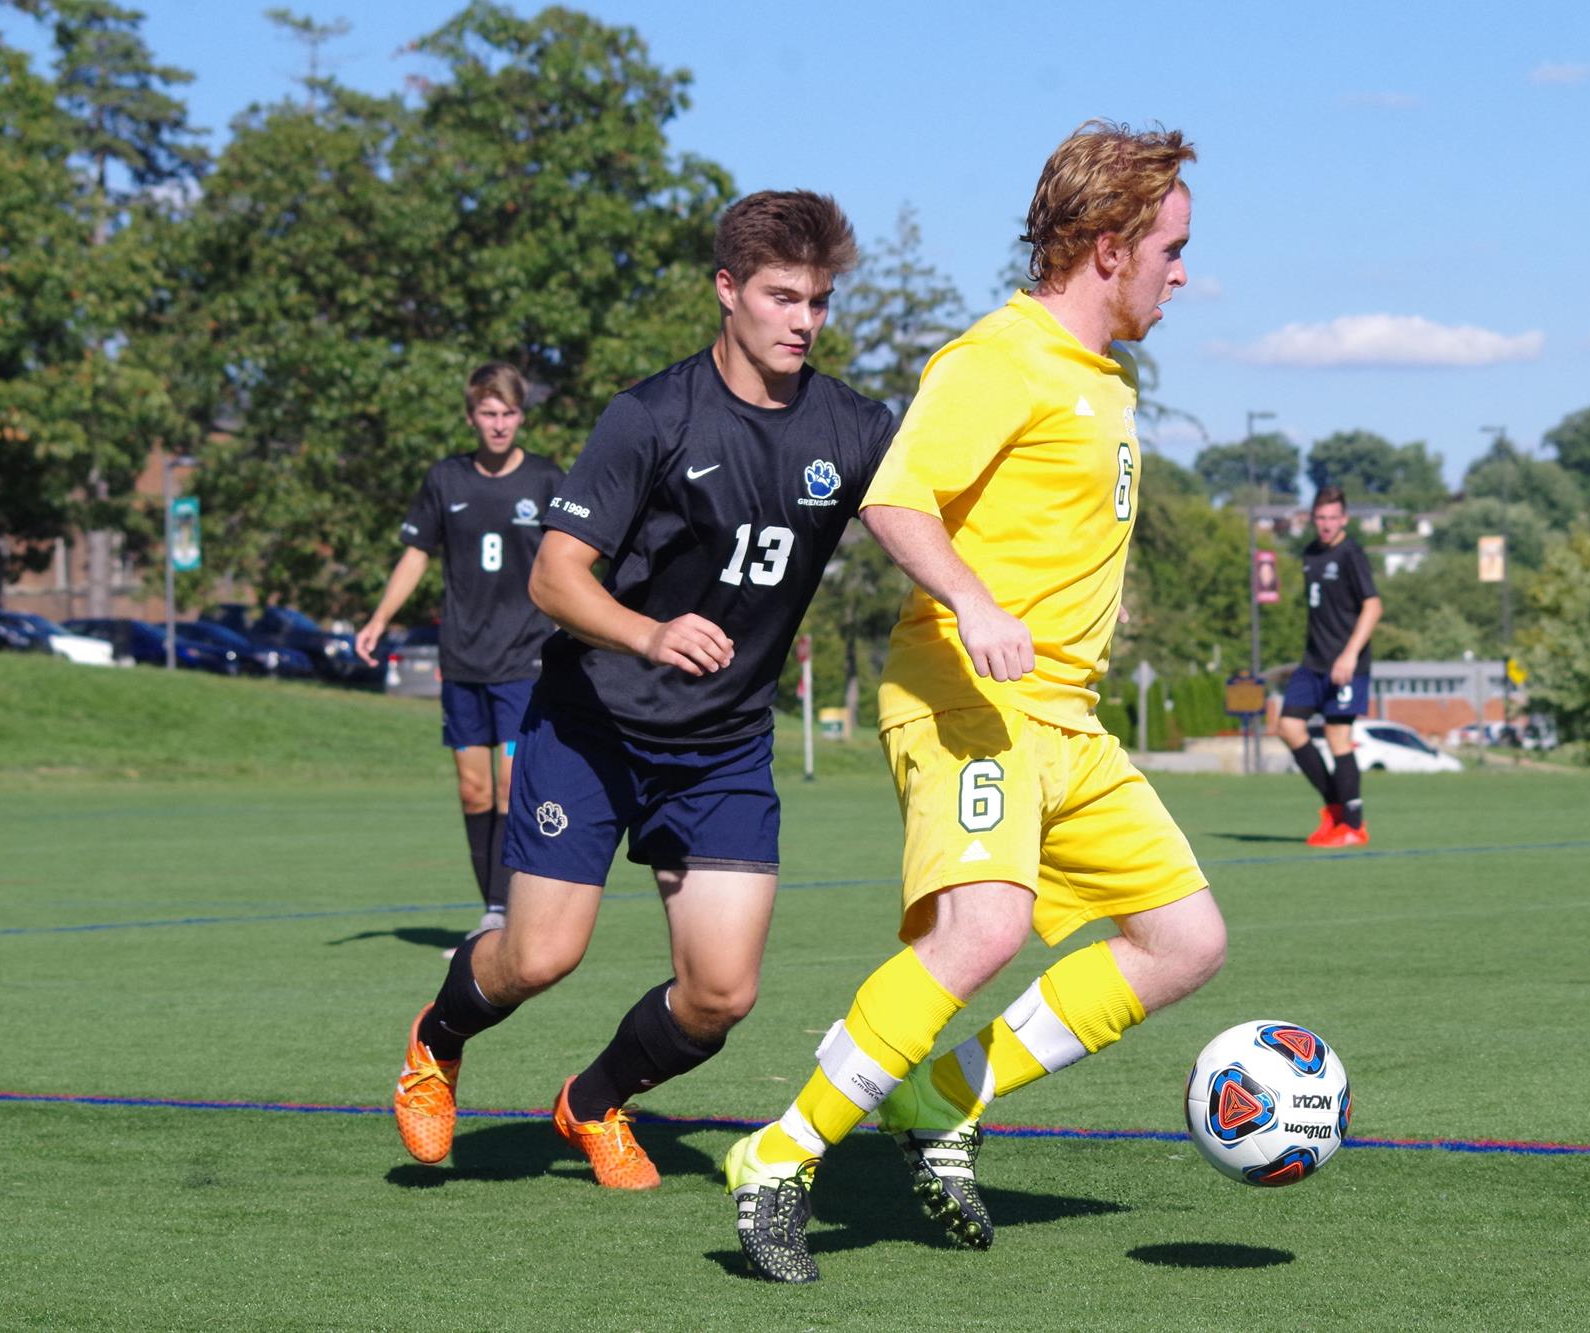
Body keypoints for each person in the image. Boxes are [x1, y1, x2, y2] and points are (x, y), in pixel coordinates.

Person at [724, 121, 1225, 1284]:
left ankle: (939, 1096)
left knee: (1183, 938)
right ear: (1107, 246)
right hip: (964, 696)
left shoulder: (1100, 376)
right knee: (986, 928)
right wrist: (973, 602)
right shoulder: (998, 356)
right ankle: (779, 1155)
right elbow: (898, 498)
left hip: (1065, 719)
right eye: (1171, 246)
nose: (1182, 271)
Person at [390, 191, 894, 1191]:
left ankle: (591, 1100)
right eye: (781, 296)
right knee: (536, 959)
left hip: (721, 745)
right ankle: (436, 1037)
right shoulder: (650, 415)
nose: (802, 320)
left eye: (820, 302)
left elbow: (928, 510)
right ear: (726, 290)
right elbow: (554, 575)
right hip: (592, 727)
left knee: (721, 993)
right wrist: (648, 630)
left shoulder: (851, 427)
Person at [356, 363, 564, 952]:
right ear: (471, 416)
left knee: (508, 786)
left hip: (525, 661)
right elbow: (415, 555)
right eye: (488, 414)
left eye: (509, 414)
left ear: (522, 416)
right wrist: (379, 618)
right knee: (474, 792)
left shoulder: (548, 481)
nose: (498, 425)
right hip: (463, 661)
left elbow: (577, 554)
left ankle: (509, 915)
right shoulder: (445, 481)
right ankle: (493, 914)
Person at [1276, 486, 1383, 848]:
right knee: (1289, 727)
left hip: (1346, 664)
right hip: (1314, 662)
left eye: (1332, 518)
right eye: (1320, 518)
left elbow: (1373, 606)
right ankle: (1335, 810)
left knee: (1337, 736)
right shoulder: (1309, 554)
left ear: (1344, 519)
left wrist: (1350, 654)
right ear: (1312, 519)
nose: (1325, 524)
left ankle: (1353, 826)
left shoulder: (1352, 554)